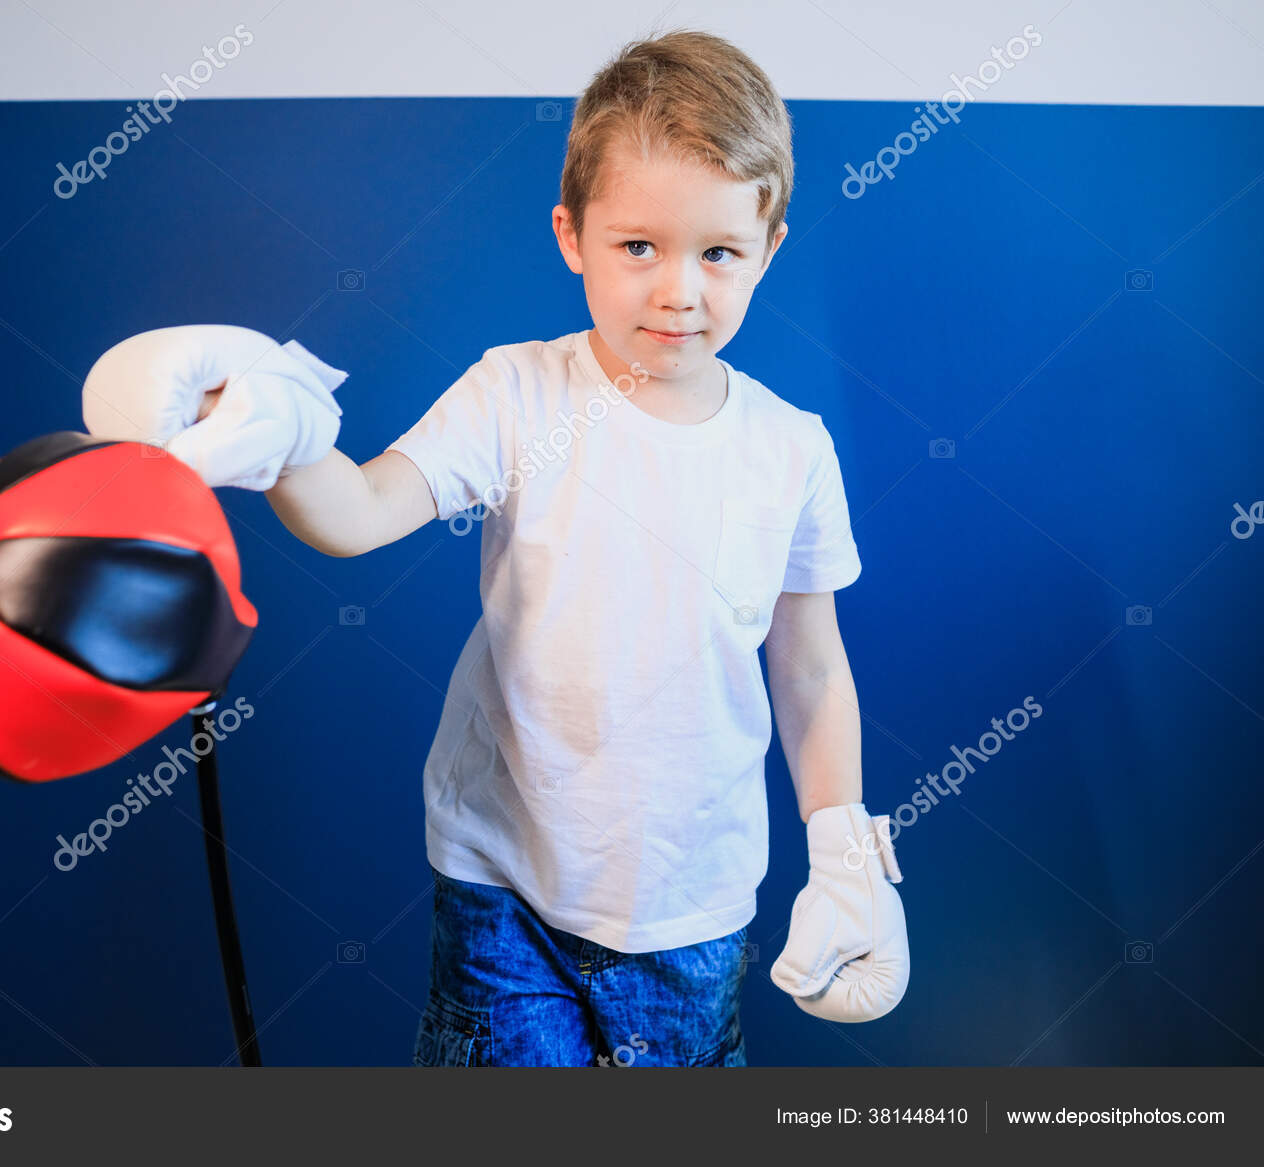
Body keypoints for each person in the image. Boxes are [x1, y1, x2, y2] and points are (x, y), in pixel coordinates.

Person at [83, 28, 907, 1068]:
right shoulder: (516, 395)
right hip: (503, 885)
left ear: (769, 245)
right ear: (571, 235)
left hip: (692, 904)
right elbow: (359, 512)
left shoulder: (790, 449)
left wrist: (844, 850)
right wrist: (284, 436)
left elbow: (811, 662)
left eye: (718, 253)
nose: (677, 291)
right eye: (637, 246)